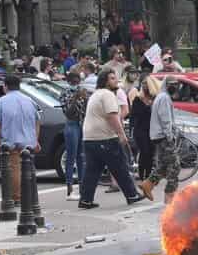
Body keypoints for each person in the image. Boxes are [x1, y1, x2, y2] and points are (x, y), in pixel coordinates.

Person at [78, 68, 144, 207]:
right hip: (105, 138)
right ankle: (132, 195)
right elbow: (112, 116)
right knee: (120, 167)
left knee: (92, 171)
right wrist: (121, 134)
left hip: (89, 138)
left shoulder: (96, 94)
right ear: (106, 81)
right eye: (113, 78)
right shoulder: (107, 95)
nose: (116, 81)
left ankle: (85, 200)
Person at [0, 74, 40, 190]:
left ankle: (17, 197)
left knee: (14, 169)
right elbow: (37, 121)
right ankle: (30, 197)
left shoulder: (0, 102)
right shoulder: (30, 100)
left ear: (5, 86)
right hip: (29, 143)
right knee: (29, 170)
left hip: (11, 142)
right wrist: (35, 140)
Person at [139, 76, 181, 202]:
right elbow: (165, 119)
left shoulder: (162, 96)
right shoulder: (164, 98)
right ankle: (170, 197)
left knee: (163, 165)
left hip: (159, 136)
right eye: (173, 84)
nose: (175, 87)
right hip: (163, 137)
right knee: (175, 166)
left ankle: (148, 184)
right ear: (167, 85)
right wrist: (170, 136)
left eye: (176, 84)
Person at [60, 67, 88, 198]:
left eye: (78, 81)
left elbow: (86, 110)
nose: (76, 84)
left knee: (81, 157)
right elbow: (68, 113)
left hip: (81, 125)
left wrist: (86, 98)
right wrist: (76, 98)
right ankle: (69, 187)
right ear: (69, 81)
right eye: (74, 81)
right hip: (71, 125)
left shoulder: (82, 91)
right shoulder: (65, 92)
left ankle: (83, 187)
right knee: (71, 157)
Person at [129, 76, 154, 183]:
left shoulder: (154, 98)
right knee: (144, 152)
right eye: (143, 84)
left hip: (152, 130)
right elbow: (134, 115)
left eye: (147, 84)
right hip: (140, 130)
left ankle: (148, 175)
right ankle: (142, 174)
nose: (145, 86)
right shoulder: (138, 99)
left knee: (151, 153)